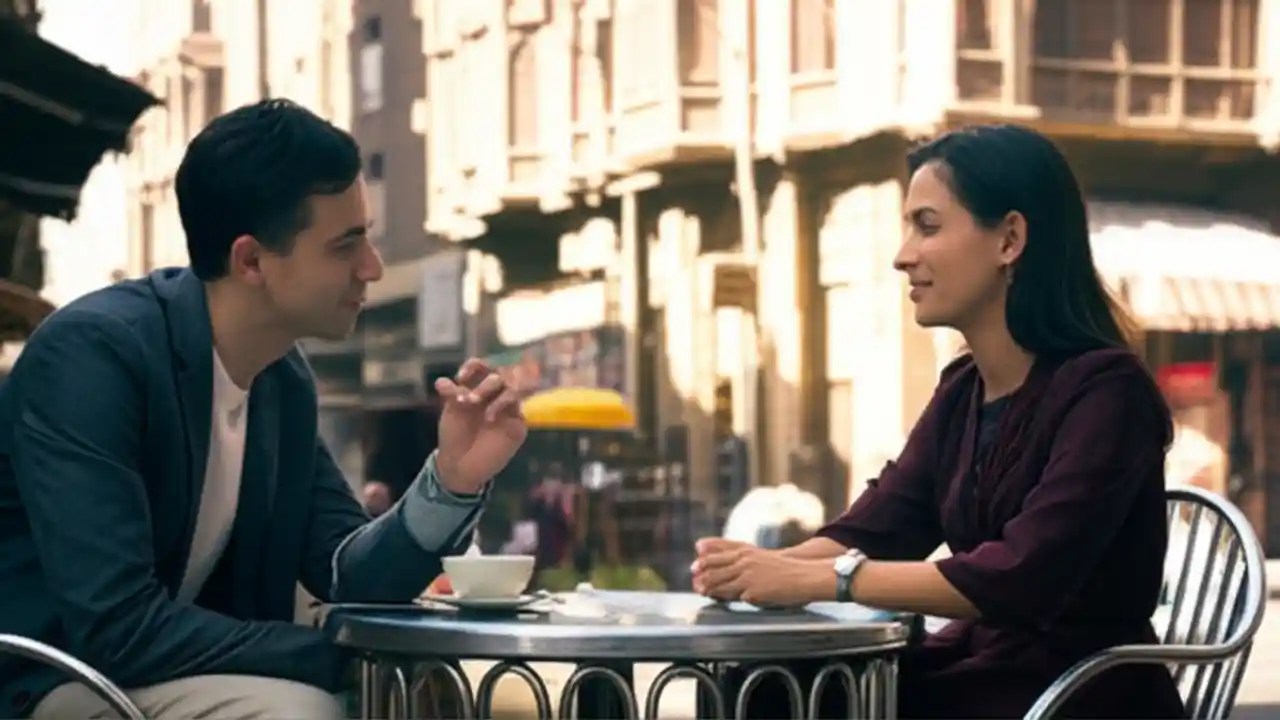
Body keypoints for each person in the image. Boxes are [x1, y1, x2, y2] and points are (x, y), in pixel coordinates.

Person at [0, 99, 527, 719]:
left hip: (164, 676)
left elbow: (347, 576)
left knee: (452, 700)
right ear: (251, 260)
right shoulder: (94, 356)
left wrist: (453, 480)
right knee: (304, 712)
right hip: (48, 680)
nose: (373, 268)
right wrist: (340, 654)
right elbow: (119, 626)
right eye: (345, 245)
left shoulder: (281, 381)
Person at [691, 124, 1187, 719]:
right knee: (760, 682)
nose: (903, 255)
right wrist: (757, 570)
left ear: (1009, 239)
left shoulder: (1109, 393)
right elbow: (880, 527)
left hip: (1073, 697)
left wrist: (825, 581)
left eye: (927, 226)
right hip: (984, 673)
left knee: (793, 695)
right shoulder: (962, 390)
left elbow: (1022, 574)